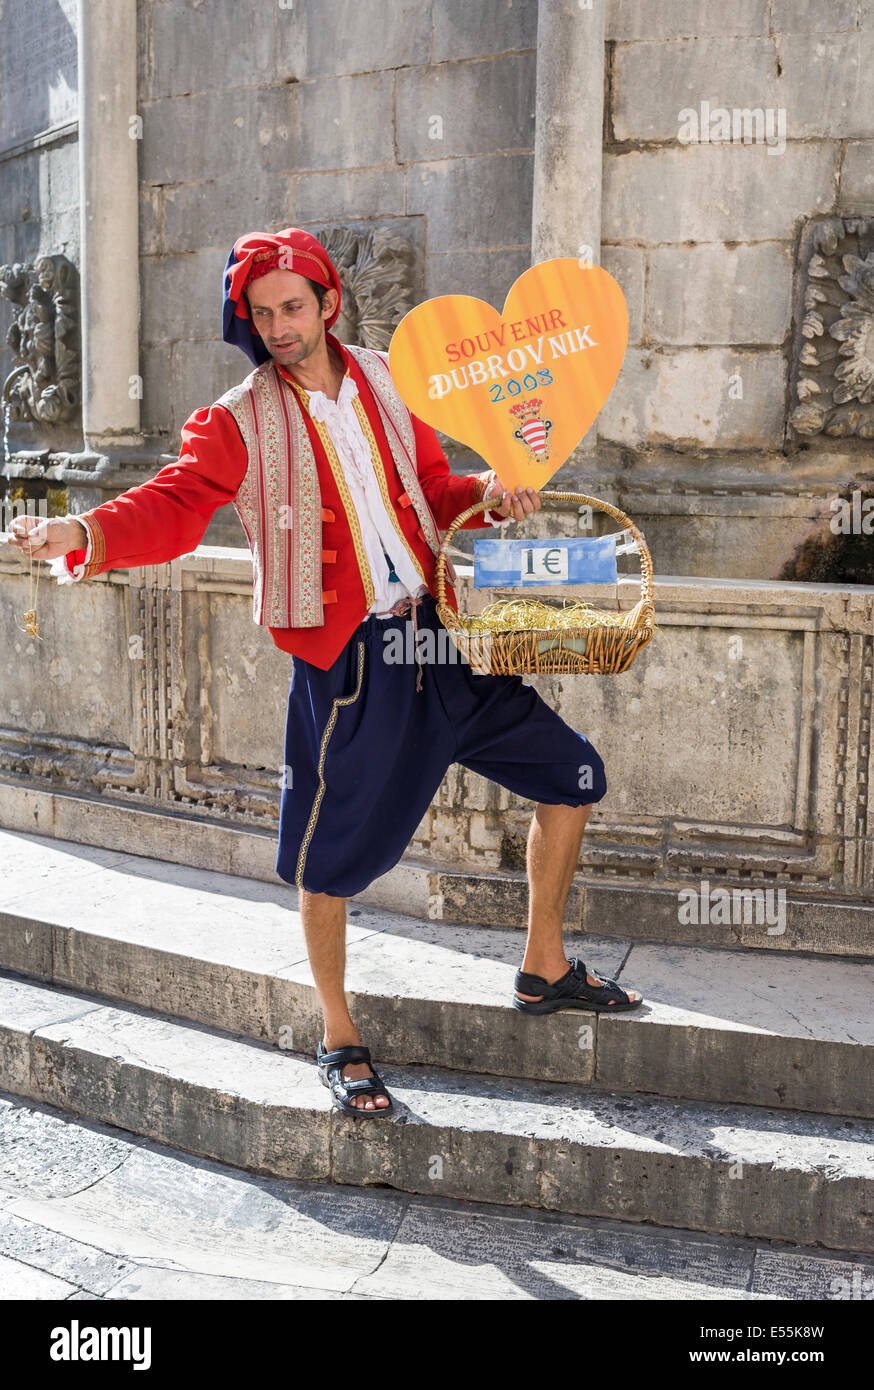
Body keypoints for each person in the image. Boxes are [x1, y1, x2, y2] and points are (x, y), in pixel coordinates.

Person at [7, 227, 642, 1118]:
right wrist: (82, 533)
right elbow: (177, 502)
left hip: (443, 636)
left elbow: (433, 491)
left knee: (574, 774)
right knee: (327, 856)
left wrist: (492, 493)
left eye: (292, 308)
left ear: (328, 301)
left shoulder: (390, 379)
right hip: (350, 665)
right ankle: (338, 1032)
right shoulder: (237, 419)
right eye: (261, 314)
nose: (279, 326)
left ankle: (543, 966)